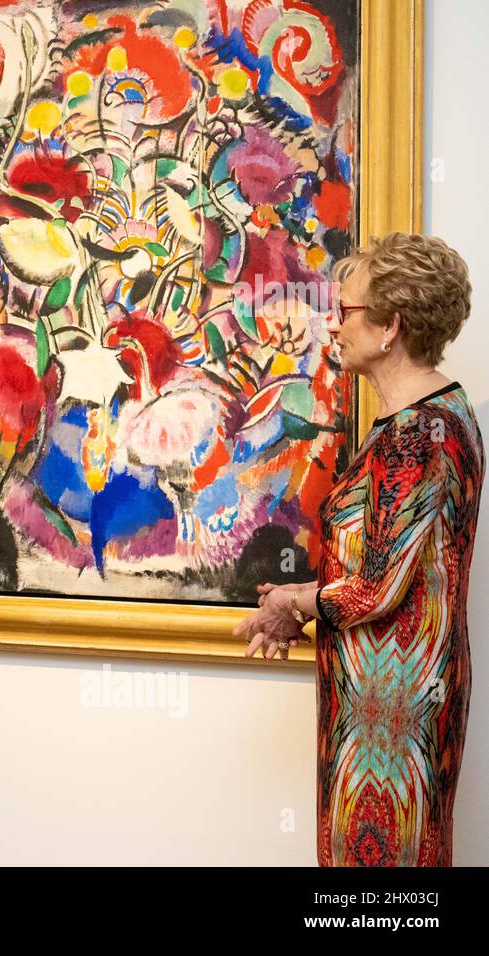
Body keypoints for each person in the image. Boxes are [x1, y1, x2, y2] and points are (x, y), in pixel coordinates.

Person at [234, 232, 481, 866]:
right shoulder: (436, 417)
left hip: (390, 719)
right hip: (387, 701)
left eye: (344, 311)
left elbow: (377, 585)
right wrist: (302, 605)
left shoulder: (420, 432)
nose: (332, 326)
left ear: (390, 326)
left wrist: (293, 599)